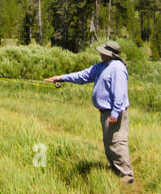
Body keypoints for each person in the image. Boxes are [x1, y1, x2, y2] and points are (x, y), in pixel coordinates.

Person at [44, 40, 134, 184]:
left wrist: (115, 113)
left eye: (103, 52)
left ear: (110, 53)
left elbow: (120, 93)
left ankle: (126, 176)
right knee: (109, 143)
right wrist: (61, 78)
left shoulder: (117, 68)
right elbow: (83, 76)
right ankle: (116, 171)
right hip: (105, 112)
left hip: (114, 113)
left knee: (117, 142)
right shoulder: (101, 66)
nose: (100, 53)